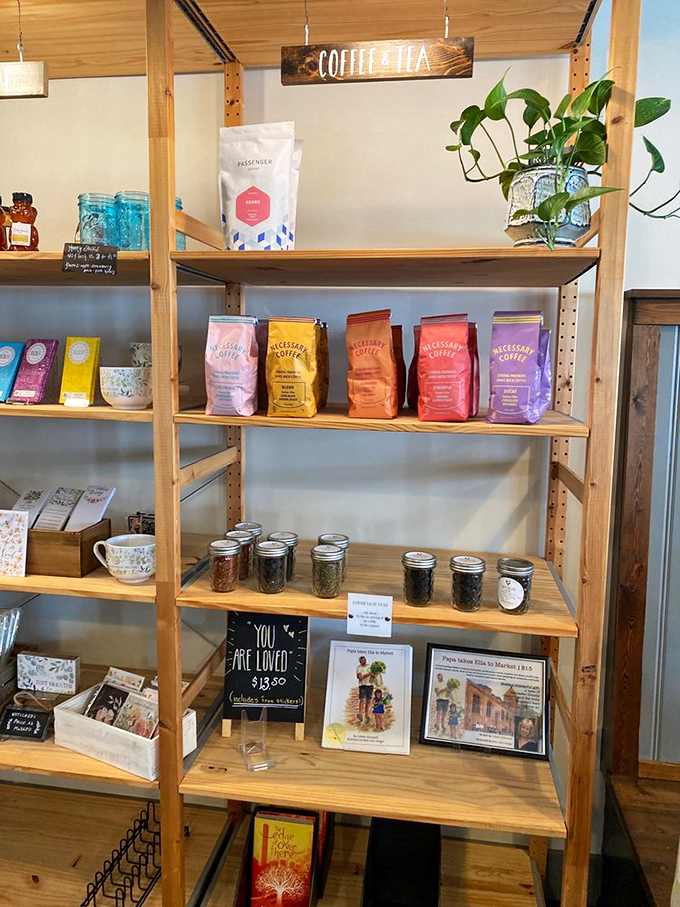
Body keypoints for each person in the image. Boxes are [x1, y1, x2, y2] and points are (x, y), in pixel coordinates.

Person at [356, 655, 374, 724]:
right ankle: (360, 714)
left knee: (369, 700)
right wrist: (369, 674)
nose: (364, 661)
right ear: (360, 661)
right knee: (362, 699)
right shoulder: (359, 668)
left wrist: (372, 674)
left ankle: (367, 715)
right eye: (362, 660)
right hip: (362, 685)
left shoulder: (369, 666)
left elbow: (373, 674)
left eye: (364, 660)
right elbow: (360, 677)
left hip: (370, 685)